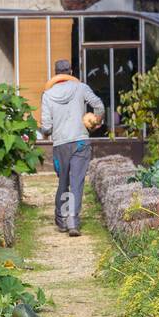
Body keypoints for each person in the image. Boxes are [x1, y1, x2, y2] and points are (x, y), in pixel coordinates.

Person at [39, 59, 104, 236]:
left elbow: (46, 127)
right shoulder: (81, 88)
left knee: (63, 182)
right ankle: (73, 221)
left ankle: (61, 220)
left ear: (55, 73)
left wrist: (47, 131)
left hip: (60, 144)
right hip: (80, 141)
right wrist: (96, 121)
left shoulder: (48, 94)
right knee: (77, 181)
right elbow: (98, 105)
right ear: (71, 72)